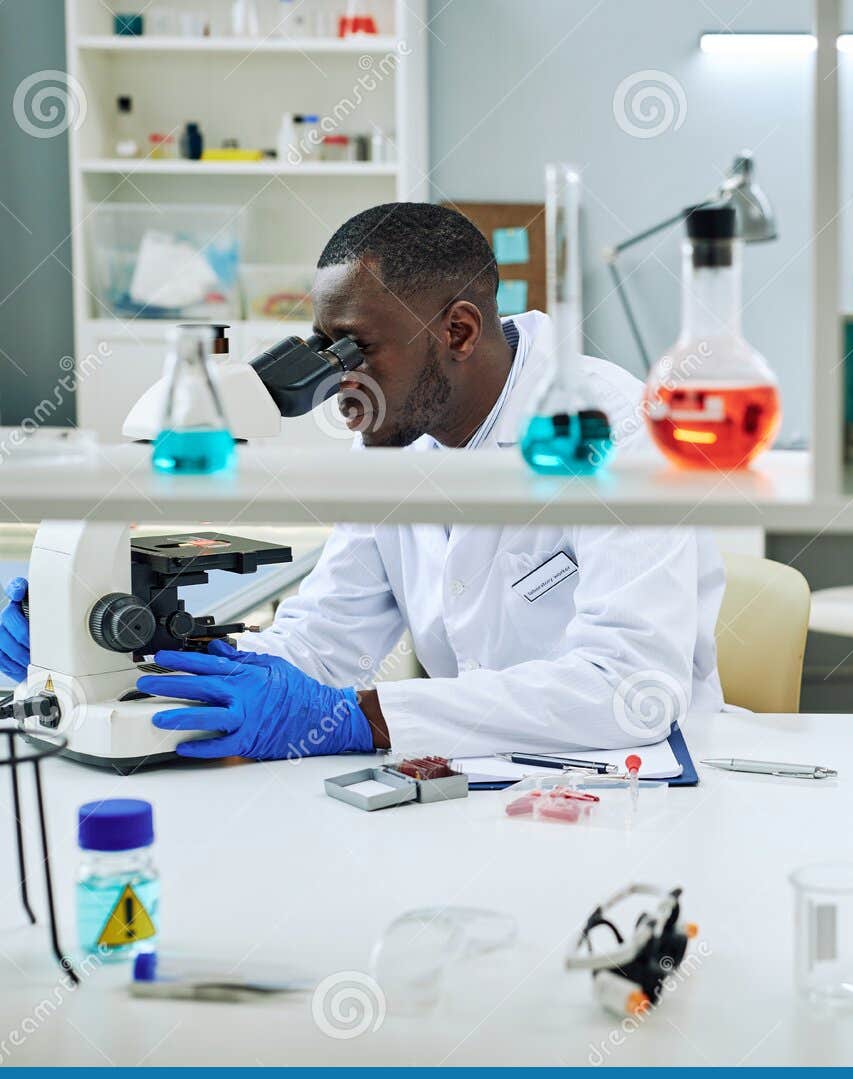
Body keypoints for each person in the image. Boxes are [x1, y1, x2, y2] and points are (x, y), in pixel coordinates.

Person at [0, 202, 725, 761]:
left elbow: (629, 689)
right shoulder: (391, 440)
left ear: (460, 332)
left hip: (641, 784)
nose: (335, 378)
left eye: (357, 345)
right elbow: (322, 642)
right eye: (323, 344)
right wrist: (121, 648)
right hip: (474, 781)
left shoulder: (611, 430)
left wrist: (366, 718)